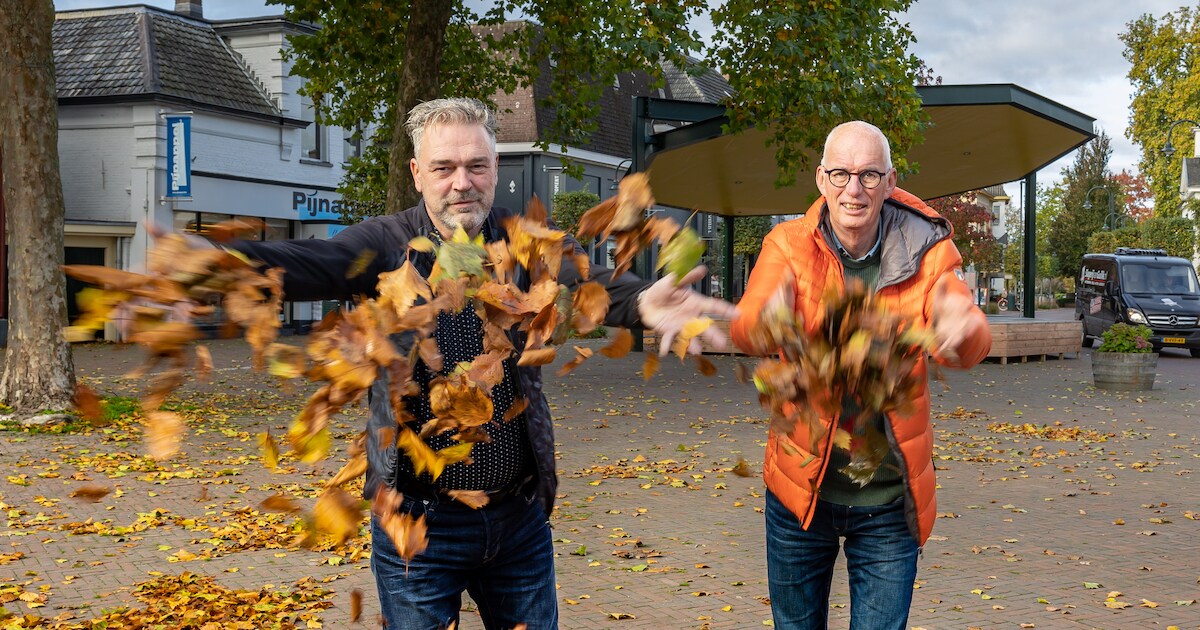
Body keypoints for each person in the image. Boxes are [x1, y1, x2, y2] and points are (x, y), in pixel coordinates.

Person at [225, 97, 737, 630]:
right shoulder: (386, 244)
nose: (462, 183)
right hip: (417, 523)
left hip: (517, 519)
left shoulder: (526, 244)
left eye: (477, 165)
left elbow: (593, 283)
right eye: (444, 168)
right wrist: (218, 265)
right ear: (417, 174)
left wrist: (642, 301)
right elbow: (316, 263)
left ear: (495, 169)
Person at [730, 121, 992, 629]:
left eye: (869, 175)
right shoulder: (787, 245)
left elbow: (966, 333)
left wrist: (964, 328)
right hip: (801, 493)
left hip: (890, 499)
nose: (855, 189)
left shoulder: (928, 250)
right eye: (842, 174)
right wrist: (766, 319)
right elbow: (749, 326)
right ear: (821, 179)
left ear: (891, 182)